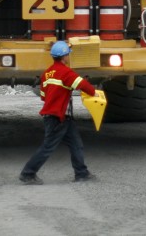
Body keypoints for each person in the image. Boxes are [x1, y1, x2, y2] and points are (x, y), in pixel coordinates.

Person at [19, 40, 97, 185]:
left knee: (76, 144)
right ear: (64, 56)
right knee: (47, 147)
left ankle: (81, 173)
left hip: (61, 117)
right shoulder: (66, 72)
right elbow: (83, 85)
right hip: (57, 118)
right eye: (68, 54)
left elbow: (43, 95)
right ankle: (28, 173)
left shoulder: (47, 73)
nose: (69, 57)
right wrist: (94, 93)